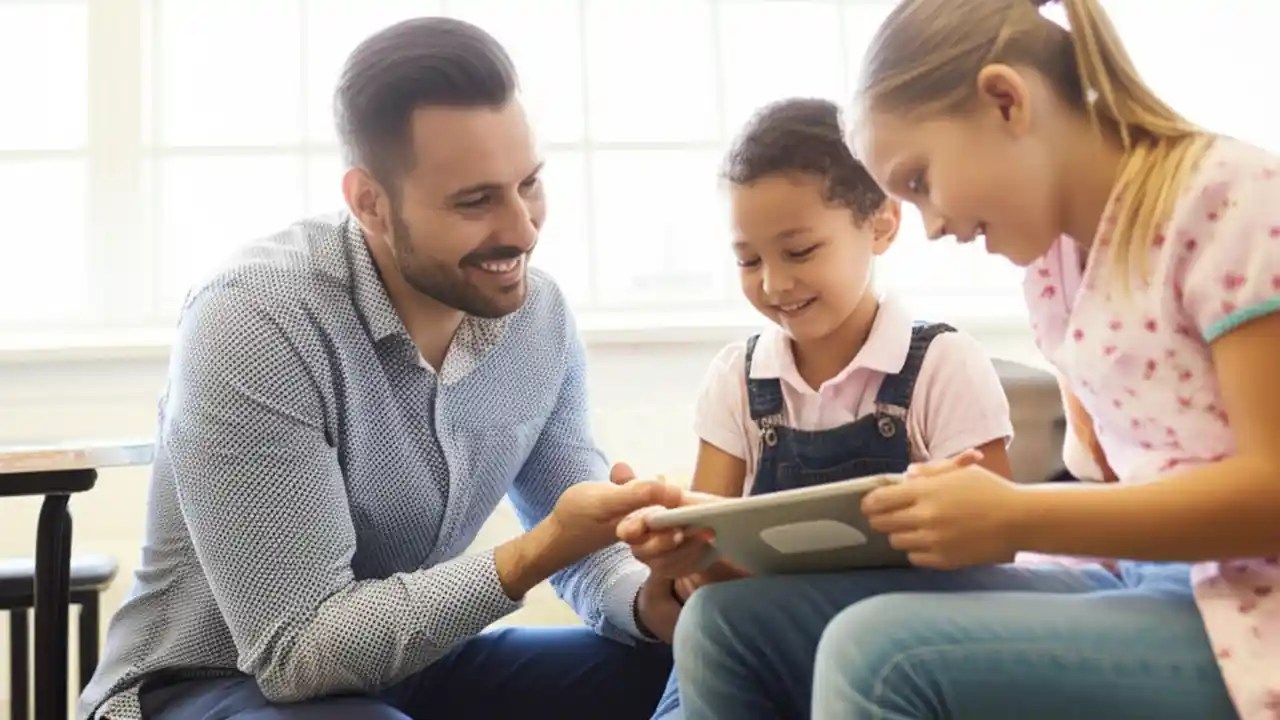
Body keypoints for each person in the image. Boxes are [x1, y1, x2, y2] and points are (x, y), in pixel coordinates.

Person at [664, 0, 1280, 718]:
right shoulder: (1058, 267)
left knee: (876, 654)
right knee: (726, 626)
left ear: (1005, 101)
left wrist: (1016, 516)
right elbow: (1125, 484)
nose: (933, 225)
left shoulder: (1231, 201)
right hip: (1141, 578)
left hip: (1251, 612)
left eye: (920, 181)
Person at [79, 17, 685, 720]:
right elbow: (296, 654)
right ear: (370, 202)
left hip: (410, 672)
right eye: (476, 201)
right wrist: (533, 552)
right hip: (202, 686)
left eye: (529, 184)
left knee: (707, 660)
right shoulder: (255, 319)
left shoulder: (538, 317)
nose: (522, 230)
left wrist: (653, 601)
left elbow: (585, 537)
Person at [620, 97, 1015, 720]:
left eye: (800, 251)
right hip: (750, 647)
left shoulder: (944, 364)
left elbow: (992, 559)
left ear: (881, 224)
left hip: (899, 655)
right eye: (748, 260)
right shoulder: (737, 379)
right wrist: (681, 554)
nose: (773, 284)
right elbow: (710, 583)